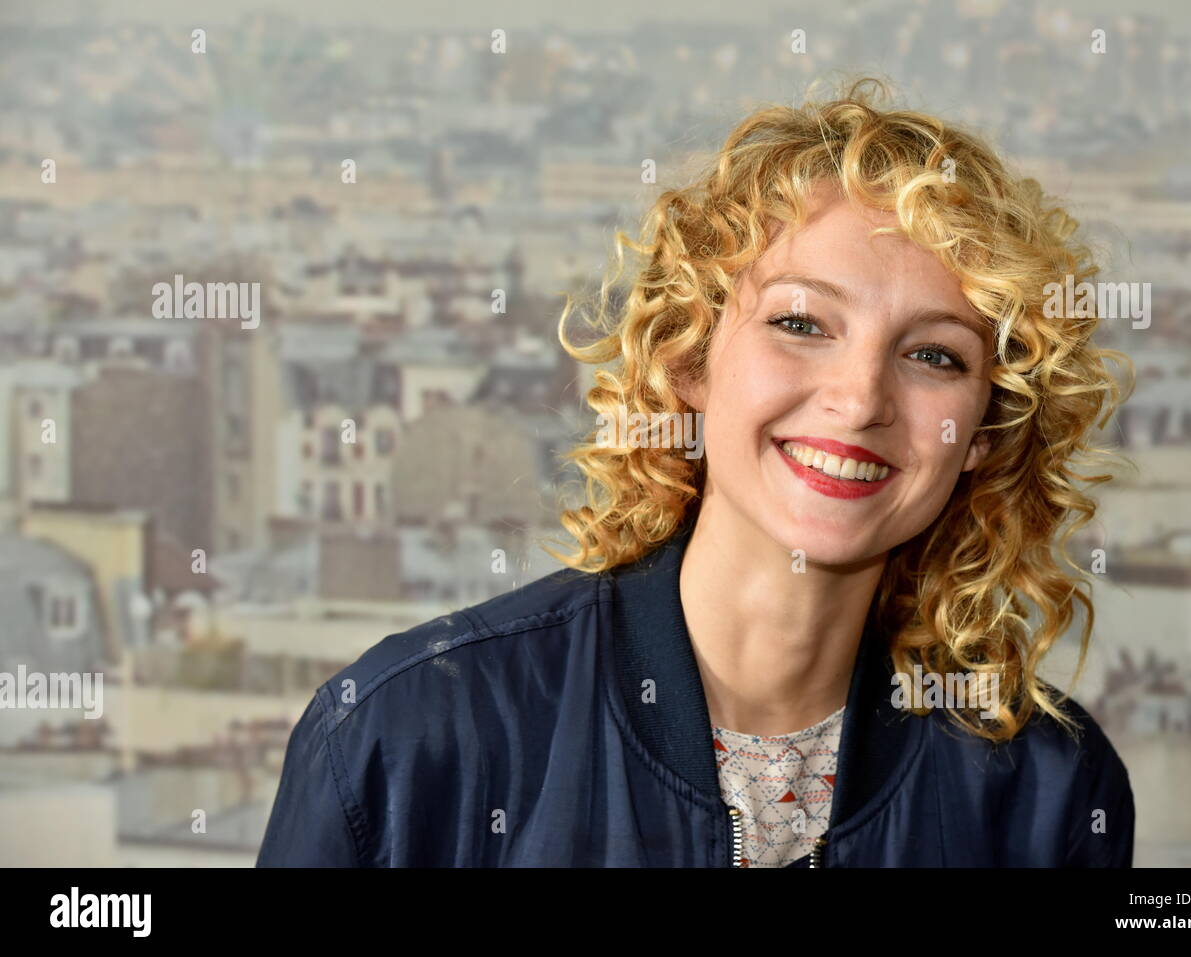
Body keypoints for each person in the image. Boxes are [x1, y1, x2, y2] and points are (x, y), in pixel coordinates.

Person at [257, 76, 1136, 867]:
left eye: (935, 356)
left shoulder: (1048, 792)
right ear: (688, 362)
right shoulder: (414, 733)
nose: (860, 398)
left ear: (984, 430)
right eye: (801, 323)